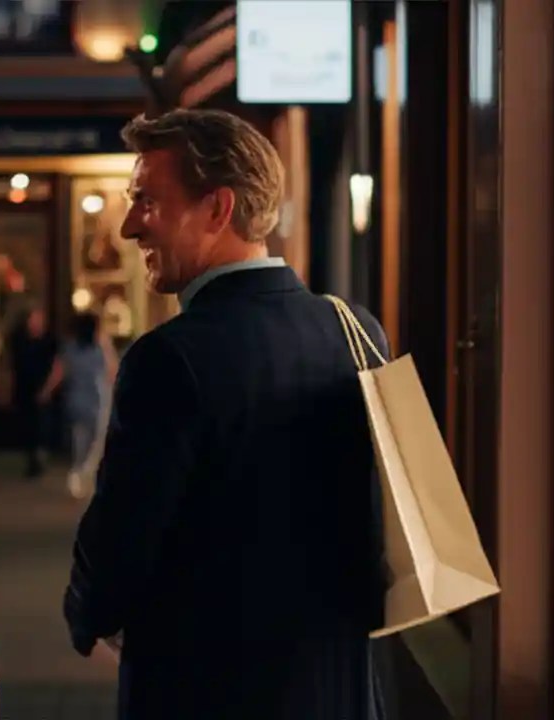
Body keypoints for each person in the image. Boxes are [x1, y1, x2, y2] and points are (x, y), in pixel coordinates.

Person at [63, 109, 390, 720]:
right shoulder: (356, 331)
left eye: (147, 201)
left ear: (217, 208)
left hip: (206, 691)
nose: (130, 226)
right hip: (337, 691)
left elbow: (118, 548)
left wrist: (90, 612)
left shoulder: (169, 359)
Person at [37, 311, 117, 499]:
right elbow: (112, 372)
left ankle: (78, 475)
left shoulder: (70, 348)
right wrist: (107, 345)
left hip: (76, 401)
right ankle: (83, 476)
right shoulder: (98, 350)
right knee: (95, 442)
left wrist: (46, 391)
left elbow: (58, 372)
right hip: (94, 402)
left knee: (80, 441)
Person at [11, 307, 58, 478]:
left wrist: (47, 389)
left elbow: (57, 366)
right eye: (32, 319)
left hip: (43, 389)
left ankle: (40, 458)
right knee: (27, 425)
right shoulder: (20, 340)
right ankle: (32, 459)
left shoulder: (49, 341)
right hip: (24, 389)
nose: (35, 323)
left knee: (42, 425)